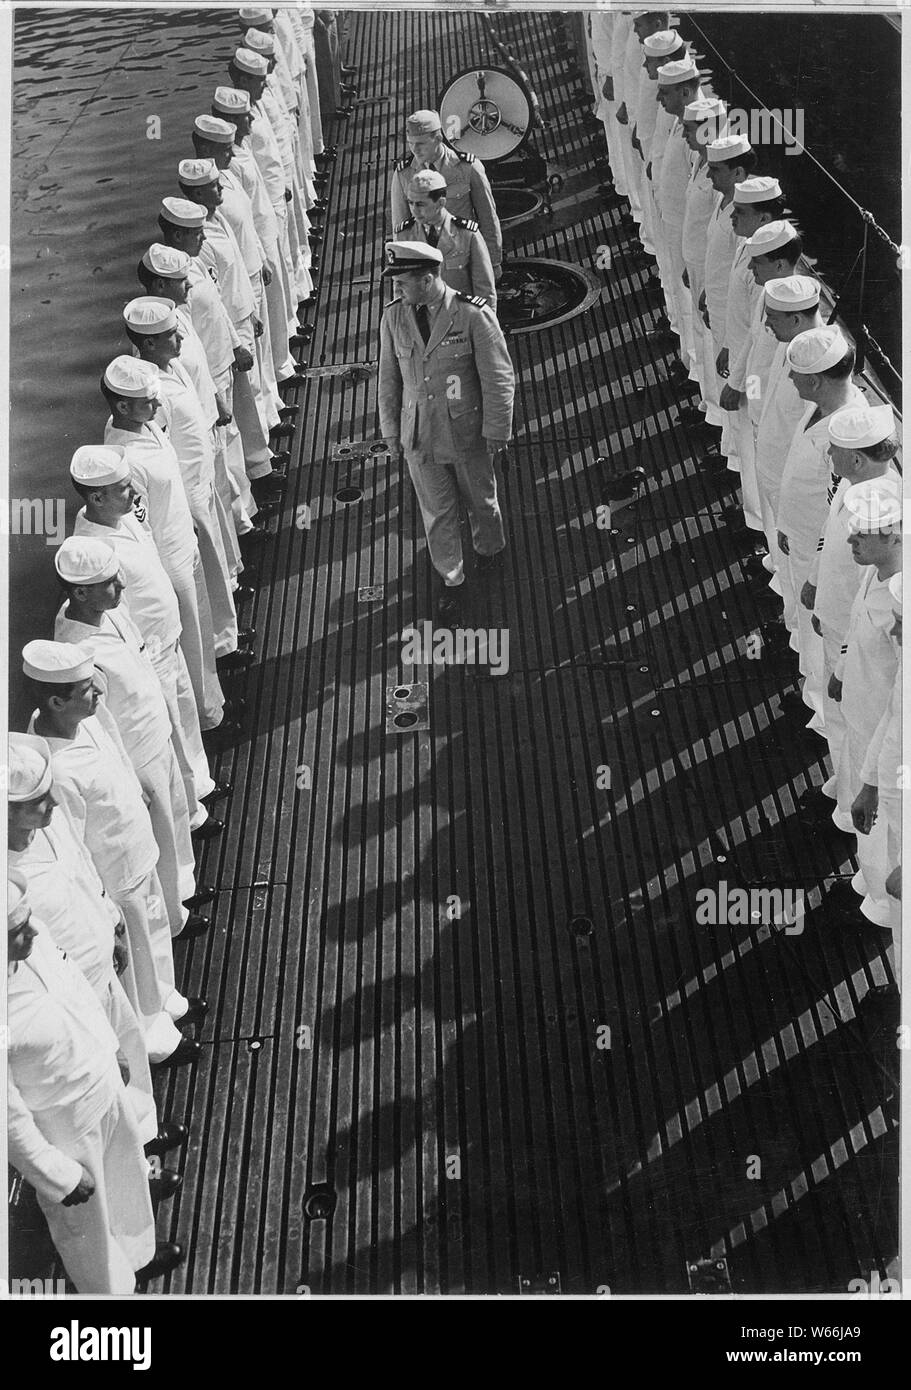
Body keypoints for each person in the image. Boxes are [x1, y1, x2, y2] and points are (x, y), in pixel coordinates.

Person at [22, 642, 206, 1062]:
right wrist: (104, 904)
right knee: (138, 956)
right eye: (88, 689)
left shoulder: (86, 719)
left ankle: (168, 998)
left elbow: (117, 752)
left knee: (157, 933)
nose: (99, 693)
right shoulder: (58, 771)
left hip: (138, 850)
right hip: (117, 876)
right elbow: (76, 846)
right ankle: (156, 1036)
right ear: (55, 700)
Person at [7, 872, 183, 1293]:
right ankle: (109, 1292)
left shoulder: (35, 944)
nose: (33, 930)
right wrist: (56, 1176)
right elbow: (6, 1117)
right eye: (16, 930)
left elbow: (77, 993)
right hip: (63, 1128)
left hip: (101, 1086)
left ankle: (138, 1256)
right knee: (84, 1229)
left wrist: (112, 1047)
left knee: (124, 1183)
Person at [53, 536, 200, 935]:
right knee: (162, 835)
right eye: (111, 583)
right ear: (81, 591)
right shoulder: (78, 653)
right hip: (138, 751)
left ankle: (186, 883)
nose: (121, 587)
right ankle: (174, 917)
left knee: (177, 816)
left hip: (155, 726)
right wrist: (130, 780)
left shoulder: (107, 610)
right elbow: (100, 725)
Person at [69, 444, 216, 827]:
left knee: (185, 718)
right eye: (123, 487)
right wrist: (148, 654)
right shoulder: (96, 552)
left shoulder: (123, 515)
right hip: (152, 650)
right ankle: (193, 816)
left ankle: (202, 783)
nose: (133, 489)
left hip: (169, 635)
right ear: (97, 496)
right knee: (173, 735)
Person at [378, 242, 514, 620]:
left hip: (468, 432)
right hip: (419, 433)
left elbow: (498, 377)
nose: (397, 290)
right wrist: (391, 432)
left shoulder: (472, 315)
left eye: (403, 282)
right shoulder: (394, 317)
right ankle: (452, 580)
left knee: (481, 503)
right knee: (437, 513)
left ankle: (490, 550)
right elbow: (389, 379)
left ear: (427, 279)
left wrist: (498, 428)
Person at [102, 352, 233, 731]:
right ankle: (210, 720)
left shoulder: (145, 424)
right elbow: (139, 528)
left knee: (202, 626)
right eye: (149, 402)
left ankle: (216, 694)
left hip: (183, 538)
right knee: (189, 642)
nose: (158, 406)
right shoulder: (124, 460)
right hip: (168, 560)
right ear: (123, 405)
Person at [775, 326, 863, 726]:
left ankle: (822, 719)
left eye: (795, 373)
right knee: (808, 639)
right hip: (799, 541)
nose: (790, 378)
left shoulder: (847, 437)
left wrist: (817, 579)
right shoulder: (822, 409)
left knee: (820, 643)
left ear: (813, 380)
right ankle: (813, 697)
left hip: (817, 556)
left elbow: (836, 519)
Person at [827, 477, 902, 929]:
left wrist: (873, 781)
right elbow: (857, 627)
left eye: (863, 532)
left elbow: (900, 701)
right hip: (862, 717)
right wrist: (839, 674)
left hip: (883, 737)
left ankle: (876, 908)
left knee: (878, 836)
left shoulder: (903, 602)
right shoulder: (878, 571)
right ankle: (867, 886)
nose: (851, 537)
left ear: (894, 533)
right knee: (867, 832)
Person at [390, 110, 502, 279]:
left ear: (438, 138)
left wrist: (493, 262)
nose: (415, 150)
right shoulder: (403, 175)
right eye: (410, 143)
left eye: (421, 143)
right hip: (427, 272)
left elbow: (488, 218)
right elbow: (400, 229)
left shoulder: (468, 167)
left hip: (465, 265)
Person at [394, 169, 496, 308]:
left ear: (440, 203)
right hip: (422, 324)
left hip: (460, 322)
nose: (414, 210)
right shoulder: (404, 236)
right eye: (410, 203)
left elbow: (485, 292)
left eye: (421, 204)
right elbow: (401, 294)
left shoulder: (467, 235)